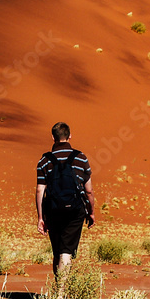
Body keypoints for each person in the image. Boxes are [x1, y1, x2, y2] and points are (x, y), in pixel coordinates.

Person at [35, 122, 95, 290]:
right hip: (75, 211)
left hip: (52, 211)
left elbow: (40, 190)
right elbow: (89, 191)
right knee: (66, 252)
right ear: (70, 136)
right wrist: (91, 212)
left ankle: (57, 292)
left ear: (53, 137)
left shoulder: (45, 160)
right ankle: (61, 296)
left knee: (57, 252)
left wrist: (41, 218)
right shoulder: (81, 157)